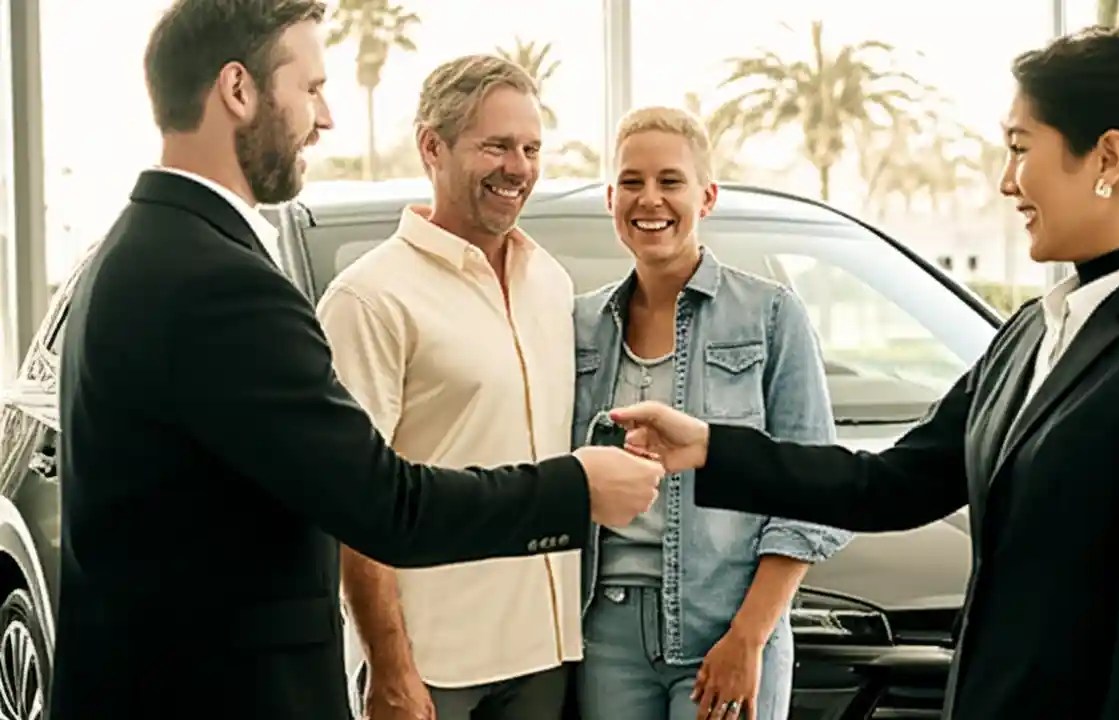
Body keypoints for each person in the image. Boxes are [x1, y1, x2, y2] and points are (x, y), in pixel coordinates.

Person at [611, 26, 1119, 720]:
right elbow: (889, 486)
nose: (1007, 182)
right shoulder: (1032, 332)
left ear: (1107, 156)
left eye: (1019, 149)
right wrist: (711, 448)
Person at [52, 2, 663, 718]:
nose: (328, 116)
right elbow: (379, 503)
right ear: (239, 90)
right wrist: (575, 488)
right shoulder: (219, 281)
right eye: (310, 87)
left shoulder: (142, 247)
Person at [317, 55, 581, 720]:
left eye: (530, 148)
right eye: (494, 146)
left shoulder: (550, 281)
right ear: (431, 146)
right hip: (434, 666)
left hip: (546, 657)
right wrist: (391, 667)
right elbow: (352, 503)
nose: (517, 167)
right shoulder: (369, 298)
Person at [572, 106, 852, 720]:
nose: (651, 200)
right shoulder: (580, 326)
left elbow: (813, 495)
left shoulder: (770, 315)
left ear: (707, 195)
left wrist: (749, 637)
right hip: (606, 638)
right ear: (610, 196)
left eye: (671, 181)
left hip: (724, 625)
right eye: (632, 182)